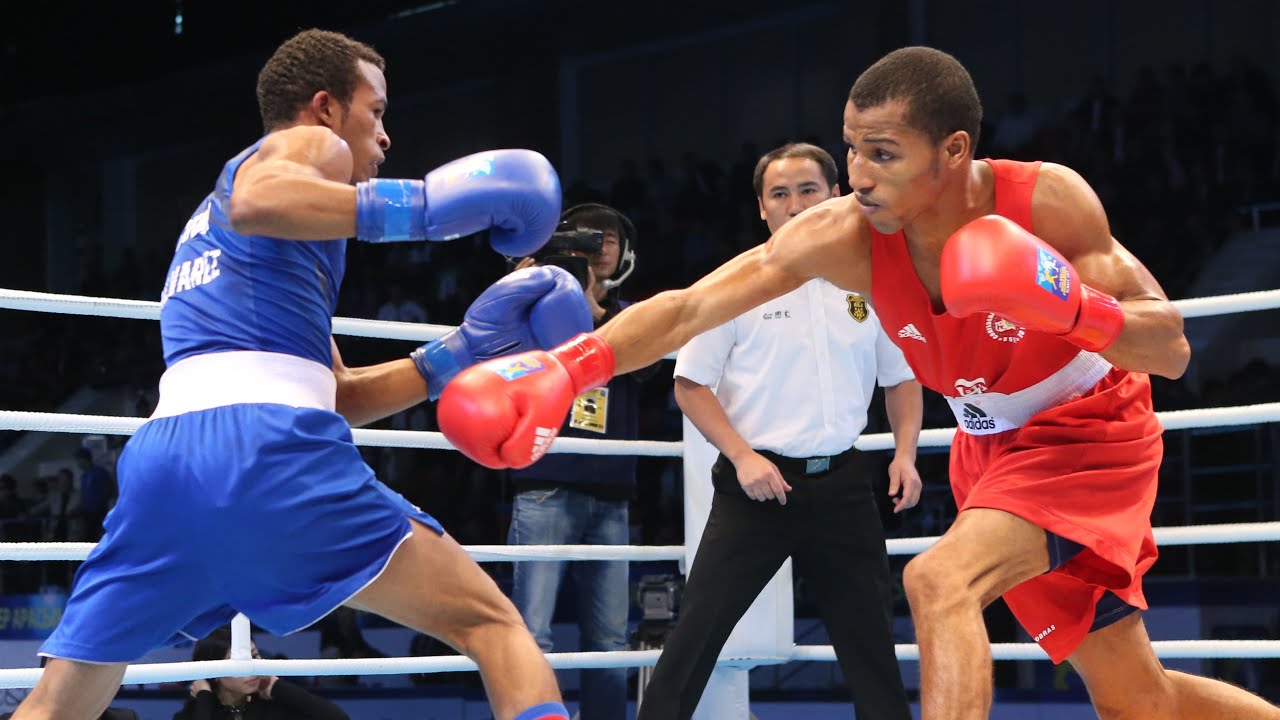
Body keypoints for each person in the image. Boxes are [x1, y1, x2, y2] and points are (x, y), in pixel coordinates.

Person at [440, 46, 1280, 720]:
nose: (859, 173)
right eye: (851, 147)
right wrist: (569, 364)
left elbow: (1170, 350)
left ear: (954, 152)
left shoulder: (1044, 203)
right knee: (1139, 702)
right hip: (990, 450)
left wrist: (1067, 304)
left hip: (1087, 435)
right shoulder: (844, 237)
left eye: (883, 153)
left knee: (937, 579)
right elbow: (692, 307)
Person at [15, 28, 590, 720]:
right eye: (375, 112)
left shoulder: (221, 232)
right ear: (324, 107)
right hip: (267, 452)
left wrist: (460, 352)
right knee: (494, 627)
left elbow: (337, 394)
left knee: (60, 703)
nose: (384, 137)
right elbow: (262, 198)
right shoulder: (303, 149)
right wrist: (428, 211)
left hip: (164, 467)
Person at [639, 143, 921, 720]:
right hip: (755, 490)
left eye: (808, 190)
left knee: (871, 648)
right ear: (762, 208)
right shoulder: (736, 283)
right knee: (695, 638)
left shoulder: (873, 281)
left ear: (836, 195)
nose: (795, 205)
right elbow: (690, 383)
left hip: (843, 487)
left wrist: (906, 452)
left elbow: (902, 377)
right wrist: (742, 457)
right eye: (780, 194)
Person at [506, 204, 655, 719]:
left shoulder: (634, 316)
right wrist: (520, 288)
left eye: (608, 237)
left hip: (611, 495)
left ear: (625, 251)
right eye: (587, 238)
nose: (599, 247)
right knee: (532, 631)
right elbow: (497, 351)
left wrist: (594, 304)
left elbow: (648, 364)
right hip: (545, 484)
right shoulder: (534, 300)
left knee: (610, 641)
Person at [172, 626, 349, 720]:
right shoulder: (194, 712)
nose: (250, 667)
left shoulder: (275, 705)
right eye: (237, 662)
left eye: (255, 655)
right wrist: (204, 699)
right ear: (214, 671)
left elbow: (338, 718)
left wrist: (278, 687)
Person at [74, 448, 112, 542]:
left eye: (78, 460)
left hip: (99, 511)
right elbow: (84, 494)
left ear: (83, 459)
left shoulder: (98, 472)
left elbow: (108, 490)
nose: (77, 463)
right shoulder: (84, 476)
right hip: (87, 512)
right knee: (88, 537)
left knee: (97, 537)